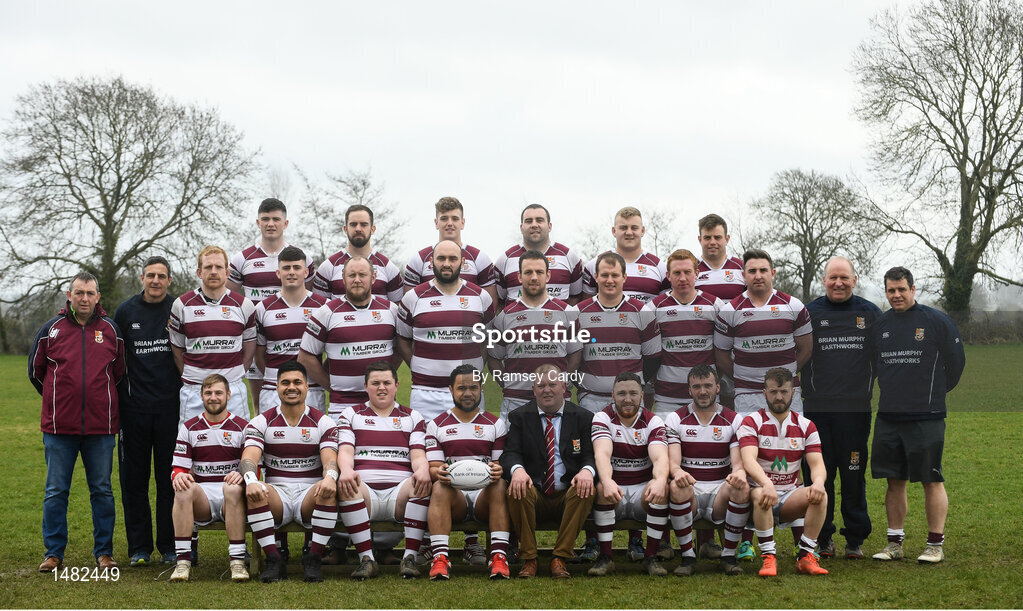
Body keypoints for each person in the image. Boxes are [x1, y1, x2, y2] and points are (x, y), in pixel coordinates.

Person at [30, 272, 125, 572]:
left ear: (98, 297)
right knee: (56, 491)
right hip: (59, 429)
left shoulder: (111, 330)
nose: (84, 298)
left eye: (90, 293)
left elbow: (119, 374)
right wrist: (58, 400)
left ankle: (104, 552)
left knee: (102, 491)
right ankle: (53, 553)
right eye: (79, 293)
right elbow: (36, 373)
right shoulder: (50, 330)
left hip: (101, 428)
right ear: (69, 296)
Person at [870, 266, 965, 565]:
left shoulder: (936, 321)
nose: (896, 295)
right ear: (886, 292)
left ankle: (935, 545)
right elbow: (874, 366)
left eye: (902, 289)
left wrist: (933, 393)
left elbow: (956, 364)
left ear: (913, 289)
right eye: (891, 290)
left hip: (927, 416)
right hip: (889, 416)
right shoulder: (880, 325)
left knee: (930, 479)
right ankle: (894, 543)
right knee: (894, 481)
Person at [801, 256, 881, 559]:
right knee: (819, 475)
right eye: (833, 278)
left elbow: (882, 358)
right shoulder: (809, 313)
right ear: (824, 280)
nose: (838, 283)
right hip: (816, 411)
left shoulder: (870, 313)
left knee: (852, 473)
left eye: (844, 278)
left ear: (854, 280)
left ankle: (855, 537)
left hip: (856, 412)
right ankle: (822, 537)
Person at [241, 360, 339, 583]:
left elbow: (330, 461)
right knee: (255, 490)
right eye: (285, 383)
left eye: (297, 382)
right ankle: (274, 559)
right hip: (277, 493)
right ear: (277, 387)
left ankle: (313, 558)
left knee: (328, 488)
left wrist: (330, 478)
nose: (291, 387)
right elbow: (248, 459)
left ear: (306, 386)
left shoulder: (324, 422)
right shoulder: (261, 422)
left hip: (309, 495)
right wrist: (251, 480)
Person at [334, 362, 432, 580]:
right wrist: (346, 470)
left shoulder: (413, 417)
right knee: (348, 486)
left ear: (396, 385)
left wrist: (423, 469)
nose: (381, 388)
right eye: (375, 383)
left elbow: (418, 456)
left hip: (399, 494)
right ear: (365, 386)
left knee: (421, 484)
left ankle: (409, 558)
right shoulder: (351, 414)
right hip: (365, 493)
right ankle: (367, 560)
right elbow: (345, 451)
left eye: (387, 383)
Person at [113, 256, 182, 566]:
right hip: (134, 411)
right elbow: (115, 358)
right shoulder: (125, 312)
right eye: (150, 275)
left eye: (161, 276)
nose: (155, 280)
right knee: (134, 482)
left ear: (169, 280)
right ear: (142, 278)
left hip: (170, 410)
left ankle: (169, 546)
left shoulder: (178, 308)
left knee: (170, 481)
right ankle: (139, 548)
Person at [501, 364, 596, 579]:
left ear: (564, 387)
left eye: (552, 384)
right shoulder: (519, 416)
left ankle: (560, 557)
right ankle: (529, 558)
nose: (547, 390)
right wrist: (517, 470)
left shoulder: (583, 417)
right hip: (535, 493)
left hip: (568, 493)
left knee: (585, 489)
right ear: (533, 390)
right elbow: (510, 453)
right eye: (541, 386)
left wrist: (587, 471)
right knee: (518, 488)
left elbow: (591, 455)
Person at [738, 368, 829, 577]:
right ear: (764, 393)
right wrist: (766, 483)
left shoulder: (806, 425)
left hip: (789, 496)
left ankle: (805, 556)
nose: (779, 397)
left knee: (820, 495)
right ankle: (769, 558)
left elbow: (817, 464)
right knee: (760, 494)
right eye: (773, 392)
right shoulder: (752, 422)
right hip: (757, 495)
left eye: (784, 391)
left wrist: (818, 483)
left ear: (793, 393)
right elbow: (748, 460)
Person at [424, 365, 511, 580]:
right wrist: (438, 472)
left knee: (500, 485)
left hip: (484, 497)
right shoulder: (436, 425)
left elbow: (498, 465)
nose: (468, 393)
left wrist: (498, 470)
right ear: (451, 390)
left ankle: (499, 558)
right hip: (455, 498)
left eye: (473, 387)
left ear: (481, 389)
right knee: (439, 486)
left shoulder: (495, 424)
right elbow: (434, 467)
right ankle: (440, 559)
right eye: (461, 388)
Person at [227, 198, 316, 406]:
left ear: (285, 223)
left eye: (276, 219)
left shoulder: (302, 258)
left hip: (291, 339)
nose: (270, 224)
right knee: (261, 406)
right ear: (258, 223)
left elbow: (309, 296)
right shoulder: (242, 259)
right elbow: (229, 300)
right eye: (265, 219)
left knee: (300, 402)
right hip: (258, 338)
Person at [662, 364, 749, 576]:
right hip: (690, 489)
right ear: (689, 390)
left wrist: (739, 473)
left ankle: (728, 556)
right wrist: (678, 473)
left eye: (708, 386)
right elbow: (674, 464)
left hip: (719, 491)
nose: (703, 391)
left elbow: (738, 464)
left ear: (718, 387)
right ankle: (687, 557)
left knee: (741, 488)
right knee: (676, 485)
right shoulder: (675, 418)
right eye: (697, 387)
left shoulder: (734, 419)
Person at [397, 240, 496, 422]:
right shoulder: (413, 298)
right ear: (431, 262)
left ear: (463, 262)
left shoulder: (481, 298)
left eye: (453, 258)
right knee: (425, 440)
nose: (447, 263)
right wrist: (419, 368)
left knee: (470, 440)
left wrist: (475, 370)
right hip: (425, 393)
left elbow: (487, 340)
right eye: (441, 258)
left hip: (469, 392)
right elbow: (402, 340)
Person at [587, 373, 671, 577]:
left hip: (642, 491)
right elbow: (602, 454)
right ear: (612, 395)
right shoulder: (602, 418)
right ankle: (606, 557)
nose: (627, 399)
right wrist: (607, 481)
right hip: (615, 490)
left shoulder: (653, 421)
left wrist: (660, 480)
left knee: (660, 488)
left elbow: (660, 457)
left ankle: (650, 557)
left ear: (642, 395)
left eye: (633, 393)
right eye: (621, 393)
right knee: (601, 488)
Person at [167, 374, 250, 582]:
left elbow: (253, 467)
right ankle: (183, 563)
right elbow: (178, 467)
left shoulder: (242, 427)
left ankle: (237, 562)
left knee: (232, 488)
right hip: (202, 497)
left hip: (232, 496)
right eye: (208, 393)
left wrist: (241, 474)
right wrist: (178, 476)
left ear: (228, 395)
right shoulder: (189, 427)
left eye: (218, 393)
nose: (213, 397)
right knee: (183, 489)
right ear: (201, 396)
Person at [299, 256, 400, 421]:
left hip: (383, 405)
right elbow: (305, 357)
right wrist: (332, 386)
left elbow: (400, 349)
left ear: (373, 277)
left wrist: (384, 375)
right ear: (343, 278)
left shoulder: (391, 311)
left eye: (362, 275)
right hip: (341, 407)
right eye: (352, 275)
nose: (357, 280)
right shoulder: (326, 312)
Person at [714, 248, 813, 413]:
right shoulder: (729, 311)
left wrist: (784, 377)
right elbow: (721, 356)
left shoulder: (794, 306)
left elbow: (806, 349)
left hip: (787, 393)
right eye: (752, 271)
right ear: (744, 275)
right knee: (748, 432)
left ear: (773, 273)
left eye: (763, 270)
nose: (758, 276)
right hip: (747, 395)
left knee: (790, 432)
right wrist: (743, 378)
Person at [487, 250, 582, 419]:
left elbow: (575, 353)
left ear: (548, 275)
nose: (533, 277)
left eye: (539, 272)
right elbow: (494, 358)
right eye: (528, 272)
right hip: (516, 402)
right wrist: (507, 384)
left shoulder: (567, 312)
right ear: (519, 276)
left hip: (556, 402)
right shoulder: (505, 316)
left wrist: (563, 383)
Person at [169, 246, 256, 423]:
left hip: (232, 389)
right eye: (208, 267)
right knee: (192, 439)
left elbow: (249, 347)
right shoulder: (181, 305)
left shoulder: (244, 305)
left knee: (238, 439)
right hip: (195, 390)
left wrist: (237, 373)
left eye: (218, 267)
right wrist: (193, 376)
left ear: (227, 272)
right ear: (199, 272)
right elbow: (177, 349)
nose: (214, 271)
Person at [576, 252, 661, 413]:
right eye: (604, 275)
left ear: (624, 277)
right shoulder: (578, 313)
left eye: (615, 275)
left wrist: (633, 385)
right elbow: (572, 358)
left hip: (630, 400)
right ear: (596, 277)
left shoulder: (643, 312)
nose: (610, 280)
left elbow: (653, 358)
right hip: (591, 399)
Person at [253, 246, 328, 414]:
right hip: (273, 390)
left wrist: (320, 376)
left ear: (306, 272)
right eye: (286, 268)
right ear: (278, 273)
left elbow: (333, 351)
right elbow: (259, 355)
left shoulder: (324, 307)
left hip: (311, 389)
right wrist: (279, 379)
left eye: (296, 267)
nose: (291, 272)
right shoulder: (262, 308)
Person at [651, 249, 722, 414]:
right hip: (667, 399)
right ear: (668, 276)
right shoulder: (654, 307)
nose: (682, 278)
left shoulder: (715, 305)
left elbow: (724, 349)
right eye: (677, 273)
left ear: (697, 273)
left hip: (706, 398)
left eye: (687, 272)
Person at [404, 196, 499, 304]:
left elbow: (491, 305)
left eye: (455, 218)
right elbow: (409, 304)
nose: (450, 223)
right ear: (436, 223)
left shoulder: (480, 258)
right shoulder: (419, 259)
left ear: (462, 223)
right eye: (444, 218)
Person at [493, 204, 583, 305]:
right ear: (521, 228)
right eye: (529, 221)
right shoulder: (505, 260)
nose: (534, 225)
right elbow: (499, 303)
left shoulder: (569, 257)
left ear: (549, 226)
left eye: (539, 220)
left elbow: (576, 300)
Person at [312, 204, 404, 302]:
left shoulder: (388, 267)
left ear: (372, 229)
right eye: (353, 224)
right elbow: (319, 306)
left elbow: (397, 307)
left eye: (364, 224)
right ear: (345, 229)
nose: (358, 229)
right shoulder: (328, 267)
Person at [581, 206, 669, 303]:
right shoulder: (594, 265)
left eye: (634, 228)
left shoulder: (660, 267)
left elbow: (666, 306)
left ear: (642, 231)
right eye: (623, 228)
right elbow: (586, 306)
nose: (629, 232)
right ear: (614, 231)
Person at [694, 213, 745, 302]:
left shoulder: (741, 267)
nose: (712, 242)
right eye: (707, 238)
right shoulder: (690, 269)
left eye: (717, 237)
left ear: (727, 239)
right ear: (700, 239)